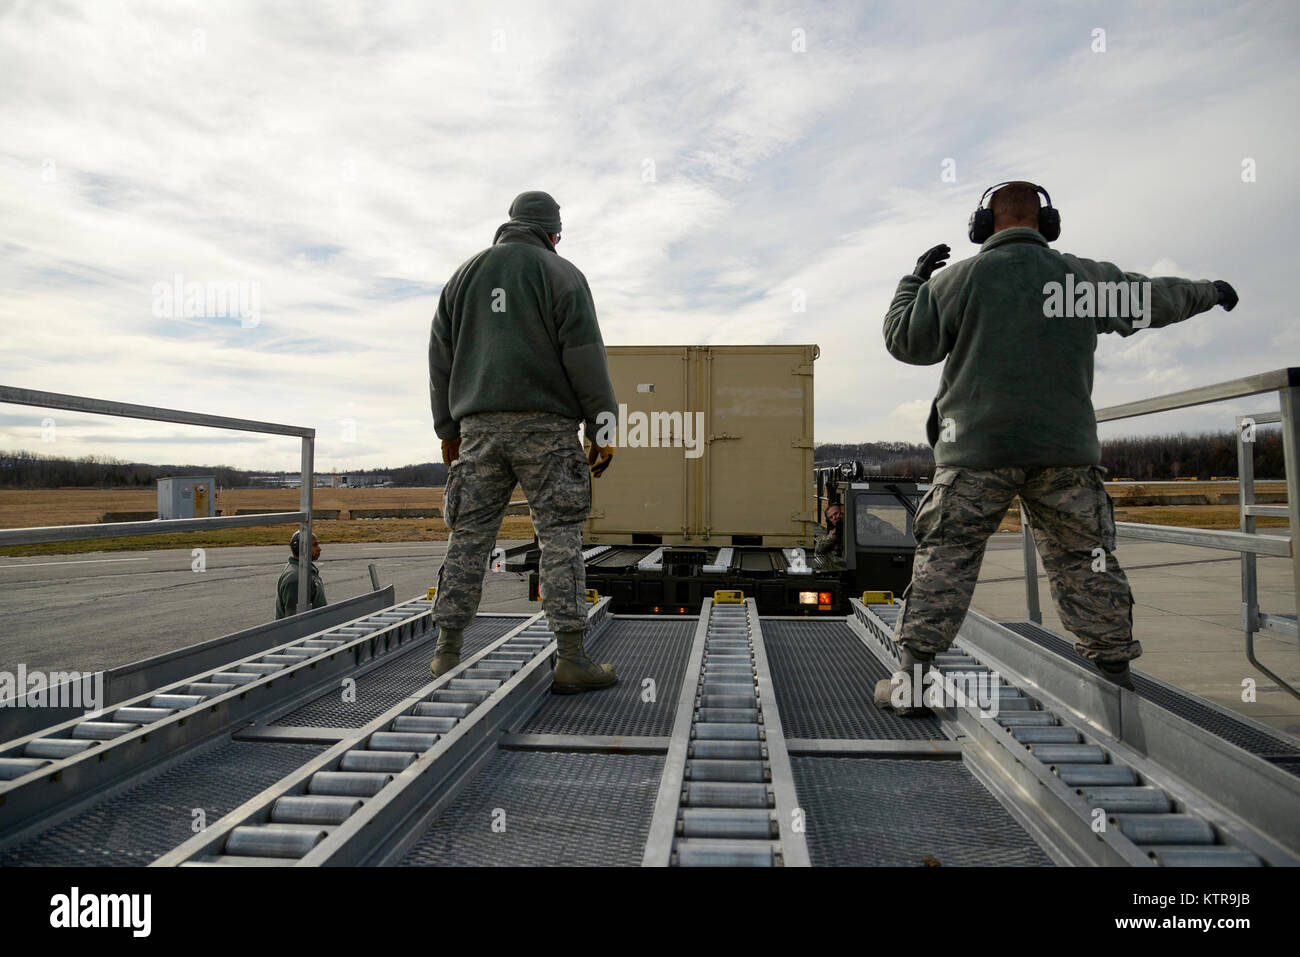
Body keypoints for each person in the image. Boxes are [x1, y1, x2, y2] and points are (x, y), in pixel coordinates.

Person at [876, 181, 1238, 714]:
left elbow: (904, 341)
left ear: (981, 229)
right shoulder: (1079, 280)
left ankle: (911, 683)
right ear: (1047, 225)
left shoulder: (958, 281)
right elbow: (1157, 298)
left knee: (946, 561)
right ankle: (1116, 686)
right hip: (1063, 454)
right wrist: (1210, 291)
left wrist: (913, 281)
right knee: (1085, 564)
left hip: (976, 453)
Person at [428, 190, 620, 694]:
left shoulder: (463, 277)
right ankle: (572, 659)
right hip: (547, 430)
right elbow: (585, 355)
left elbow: (439, 357)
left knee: (469, 536)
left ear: (510, 223)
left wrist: (447, 428)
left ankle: (447, 652)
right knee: (560, 538)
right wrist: (602, 425)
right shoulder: (562, 275)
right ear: (553, 232)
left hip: (478, 431)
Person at [274, 530, 326, 619]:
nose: (319, 549)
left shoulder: (305, 570)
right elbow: (293, 621)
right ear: (301, 548)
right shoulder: (296, 578)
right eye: (314, 545)